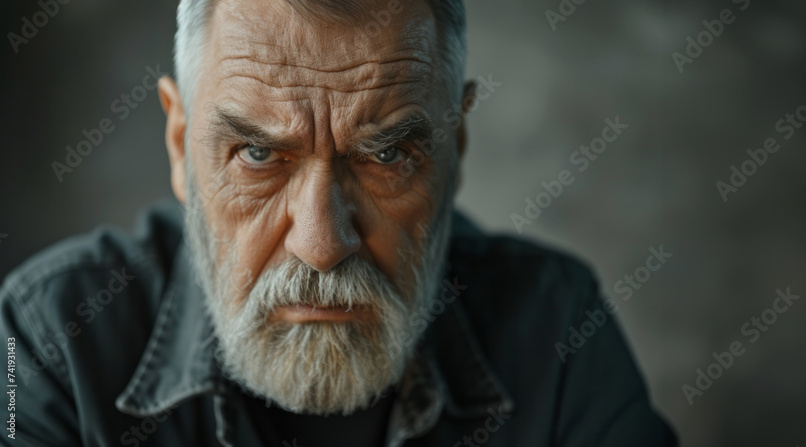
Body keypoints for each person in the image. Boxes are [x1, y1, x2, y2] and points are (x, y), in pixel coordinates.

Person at [0, 0, 676, 445]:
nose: (321, 245)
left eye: (386, 154)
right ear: (181, 144)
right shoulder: (51, 341)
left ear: (455, 148)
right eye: (258, 154)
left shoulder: (556, 331)